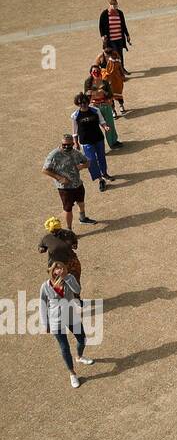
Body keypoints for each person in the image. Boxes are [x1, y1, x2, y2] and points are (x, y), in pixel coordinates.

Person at [40, 259, 94, 388]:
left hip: (71, 316)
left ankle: (79, 357)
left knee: (82, 339)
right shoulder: (45, 286)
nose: (59, 271)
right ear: (52, 271)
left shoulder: (69, 279)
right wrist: (45, 323)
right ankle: (72, 373)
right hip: (55, 321)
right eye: (56, 269)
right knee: (64, 348)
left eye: (62, 268)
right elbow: (43, 304)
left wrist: (67, 278)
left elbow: (77, 289)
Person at [44, 134, 96, 228]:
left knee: (81, 203)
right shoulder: (54, 155)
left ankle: (83, 218)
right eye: (64, 144)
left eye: (69, 144)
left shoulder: (75, 152)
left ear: (73, 143)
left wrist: (83, 166)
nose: (66, 146)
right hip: (65, 188)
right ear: (61, 144)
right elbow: (45, 170)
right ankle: (69, 229)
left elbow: (87, 162)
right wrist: (59, 178)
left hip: (77, 184)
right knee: (68, 209)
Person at [72, 93, 112, 191]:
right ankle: (100, 179)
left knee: (101, 157)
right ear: (77, 104)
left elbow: (102, 121)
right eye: (80, 103)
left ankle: (104, 173)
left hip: (98, 138)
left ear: (88, 102)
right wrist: (76, 142)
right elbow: (75, 131)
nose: (83, 104)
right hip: (86, 142)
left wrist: (105, 127)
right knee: (92, 161)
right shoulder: (75, 115)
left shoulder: (95, 110)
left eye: (85, 102)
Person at [82, 68, 120, 148]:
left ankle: (113, 142)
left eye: (97, 71)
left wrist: (103, 92)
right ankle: (96, 147)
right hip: (94, 107)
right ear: (91, 73)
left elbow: (110, 94)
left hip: (105, 105)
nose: (96, 73)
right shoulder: (88, 83)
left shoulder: (105, 82)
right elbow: (86, 96)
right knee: (94, 127)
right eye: (94, 71)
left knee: (110, 124)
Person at [38, 217, 81, 282]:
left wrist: (74, 245)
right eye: (52, 231)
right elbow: (40, 247)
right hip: (56, 265)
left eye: (56, 230)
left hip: (71, 263)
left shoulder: (69, 234)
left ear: (60, 228)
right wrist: (41, 249)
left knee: (74, 281)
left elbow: (75, 243)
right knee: (58, 284)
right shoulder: (47, 238)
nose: (54, 232)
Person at [98, 0, 131, 75]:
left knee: (120, 54)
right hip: (111, 39)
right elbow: (101, 26)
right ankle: (117, 71)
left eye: (116, 5)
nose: (115, 7)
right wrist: (102, 36)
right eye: (113, 5)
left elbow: (123, 25)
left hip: (119, 38)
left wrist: (127, 35)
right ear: (109, 5)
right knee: (115, 55)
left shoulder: (120, 13)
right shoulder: (104, 14)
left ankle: (122, 68)